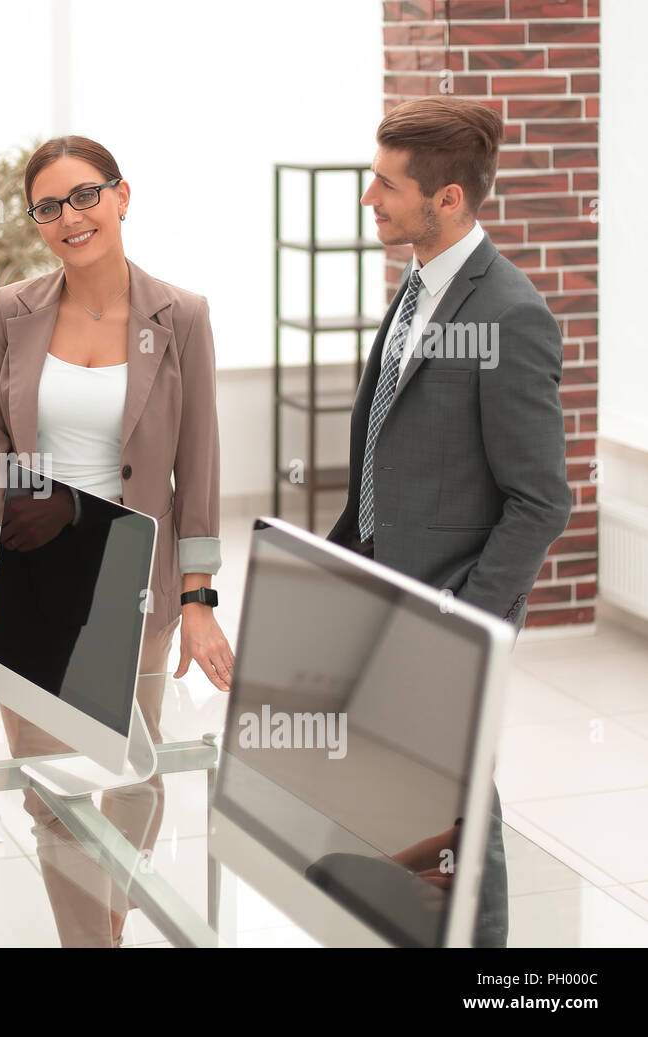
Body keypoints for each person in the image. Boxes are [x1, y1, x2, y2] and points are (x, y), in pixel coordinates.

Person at [0, 136, 232, 947]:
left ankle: (102, 924)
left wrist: (199, 599)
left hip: (133, 575)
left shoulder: (180, 315)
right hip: (35, 577)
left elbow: (200, 465)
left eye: (84, 196)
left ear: (121, 195)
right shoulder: (10, 313)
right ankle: (98, 941)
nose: (69, 218)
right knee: (51, 793)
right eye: (49, 206)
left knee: (137, 775)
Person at [327, 96, 572, 947]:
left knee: (464, 818)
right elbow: (387, 450)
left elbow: (543, 499)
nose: (369, 199)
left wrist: (462, 616)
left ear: (449, 200)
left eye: (385, 186)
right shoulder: (417, 288)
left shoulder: (509, 315)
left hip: (446, 615)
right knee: (407, 810)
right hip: (381, 598)